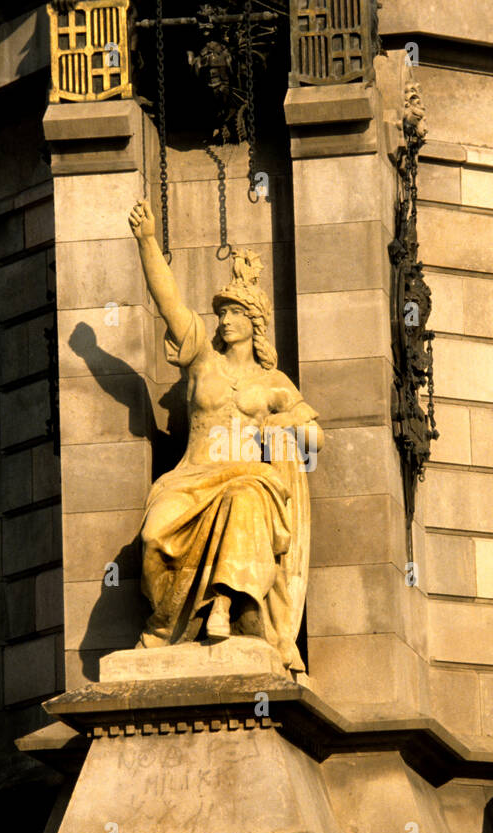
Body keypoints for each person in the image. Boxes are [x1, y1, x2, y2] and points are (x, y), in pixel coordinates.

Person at [127, 200, 323, 674]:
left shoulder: (274, 383)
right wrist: (147, 241)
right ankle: (165, 623)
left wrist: (285, 424)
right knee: (153, 537)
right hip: (192, 477)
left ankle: (222, 605)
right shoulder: (202, 362)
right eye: (222, 313)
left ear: (254, 322)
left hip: (249, 479)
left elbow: (315, 438)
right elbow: (170, 304)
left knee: (246, 499)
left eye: (234, 312)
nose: (225, 320)